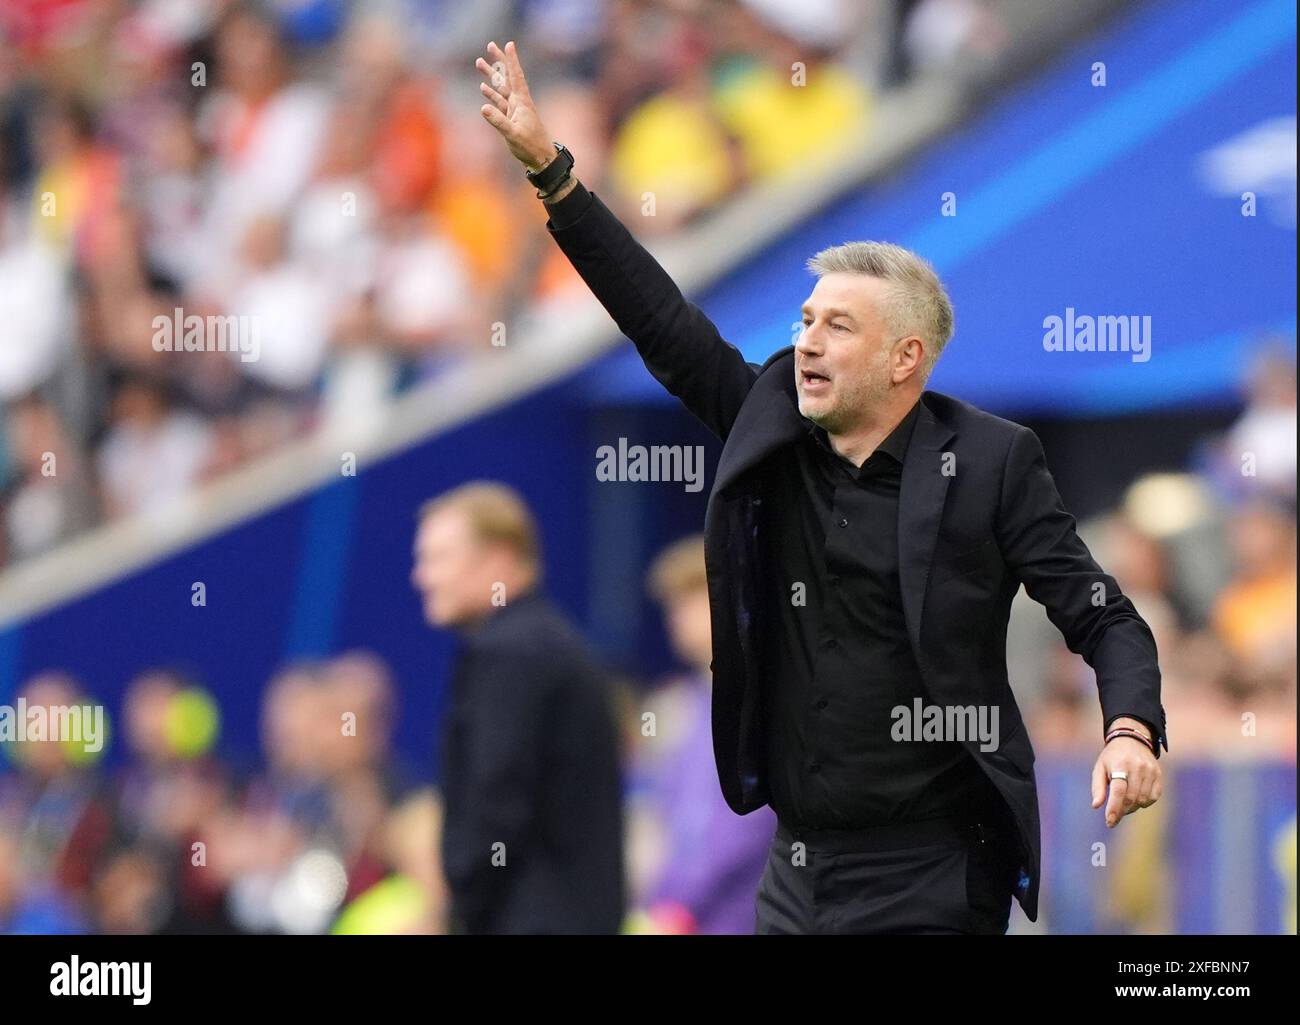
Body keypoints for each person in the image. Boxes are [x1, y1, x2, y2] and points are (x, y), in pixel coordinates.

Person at [475, 40, 1167, 934]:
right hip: (797, 865)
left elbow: (1103, 613)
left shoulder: (992, 460)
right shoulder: (771, 421)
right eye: (805, 320)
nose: (805, 342)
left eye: (837, 326)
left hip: (936, 866)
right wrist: (552, 172)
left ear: (904, 358)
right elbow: (660, 321)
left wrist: (1130, 730)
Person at [411, 480, 624, 934]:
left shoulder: (510, 652)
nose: (422, 577)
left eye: (438, 559)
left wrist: (461, 907)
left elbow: (496, 800)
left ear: (500, 558)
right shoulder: (543, 642)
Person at [635, 535, 777, 934]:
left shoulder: (761, 700)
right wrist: (656, 903)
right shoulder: (689, 704)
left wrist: (682, 905)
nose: (676, 618)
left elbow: (743, 824)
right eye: (672, 605)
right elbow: (671, 817)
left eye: (690, 600)